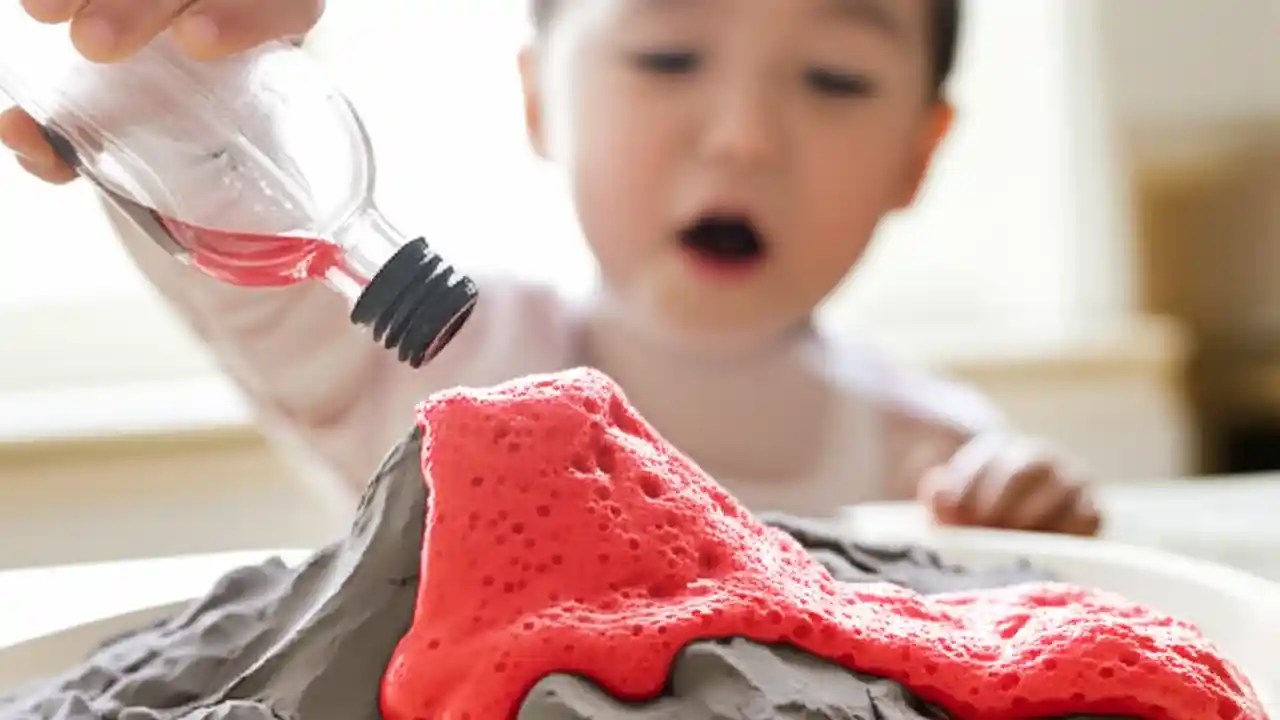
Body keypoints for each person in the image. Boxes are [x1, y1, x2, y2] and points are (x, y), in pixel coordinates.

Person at [0, 0, 1100, 534]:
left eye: (834, 80)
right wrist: (174, 65)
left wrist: (1034, 553)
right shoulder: (449, 367)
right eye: (667, 56)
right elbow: (229, 209)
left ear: (918, 155)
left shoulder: (937, 461)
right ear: (539, 101)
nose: (743, 138)